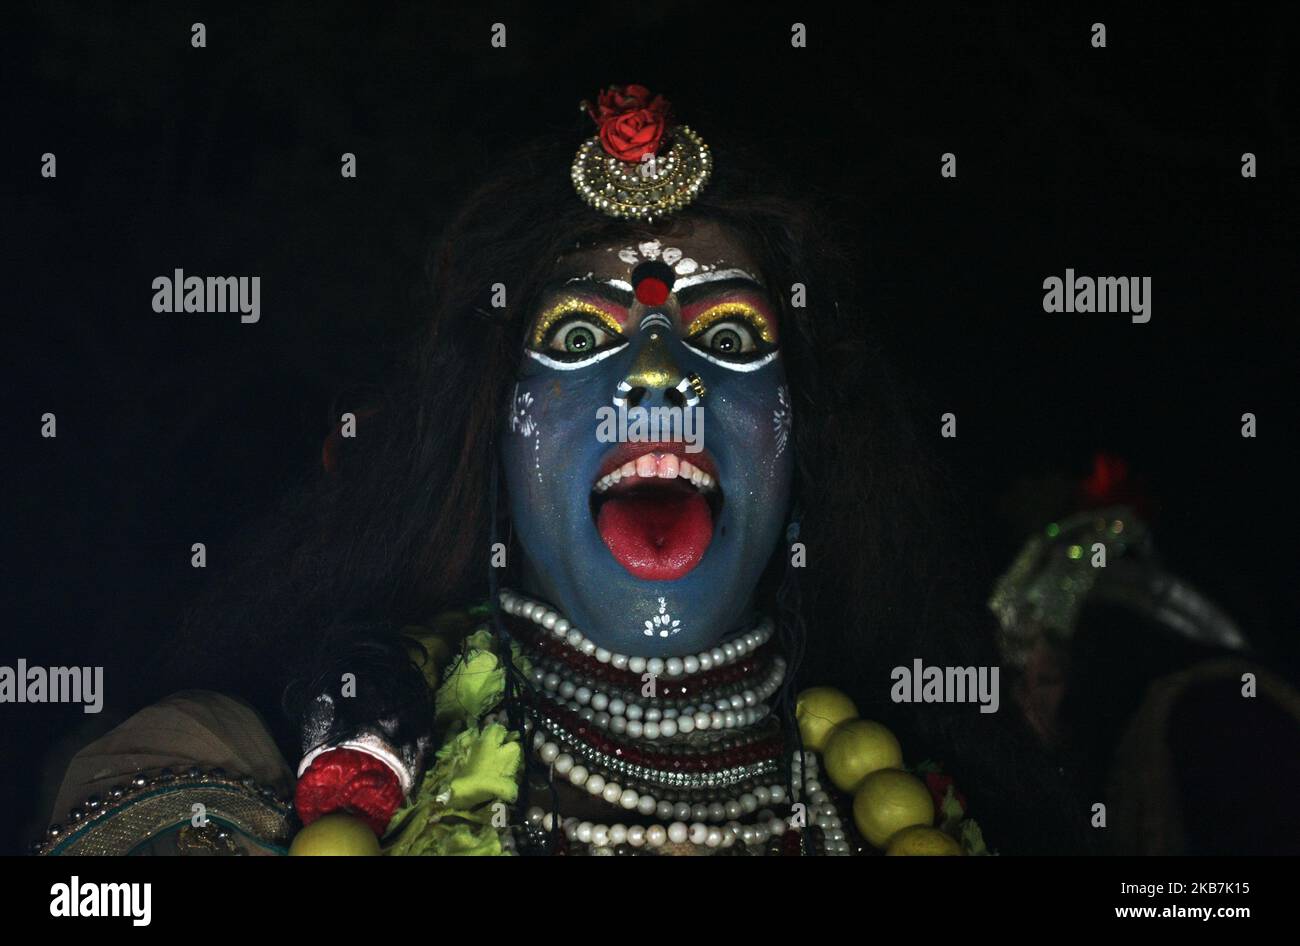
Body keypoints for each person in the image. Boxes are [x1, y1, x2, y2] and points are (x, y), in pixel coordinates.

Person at [38, 85, 1079, 856]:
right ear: (491, 432)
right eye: (582, 337)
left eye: (727, 331)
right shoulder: (243, 759)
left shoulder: (927, 808)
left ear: (802, 439)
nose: (662, 374)